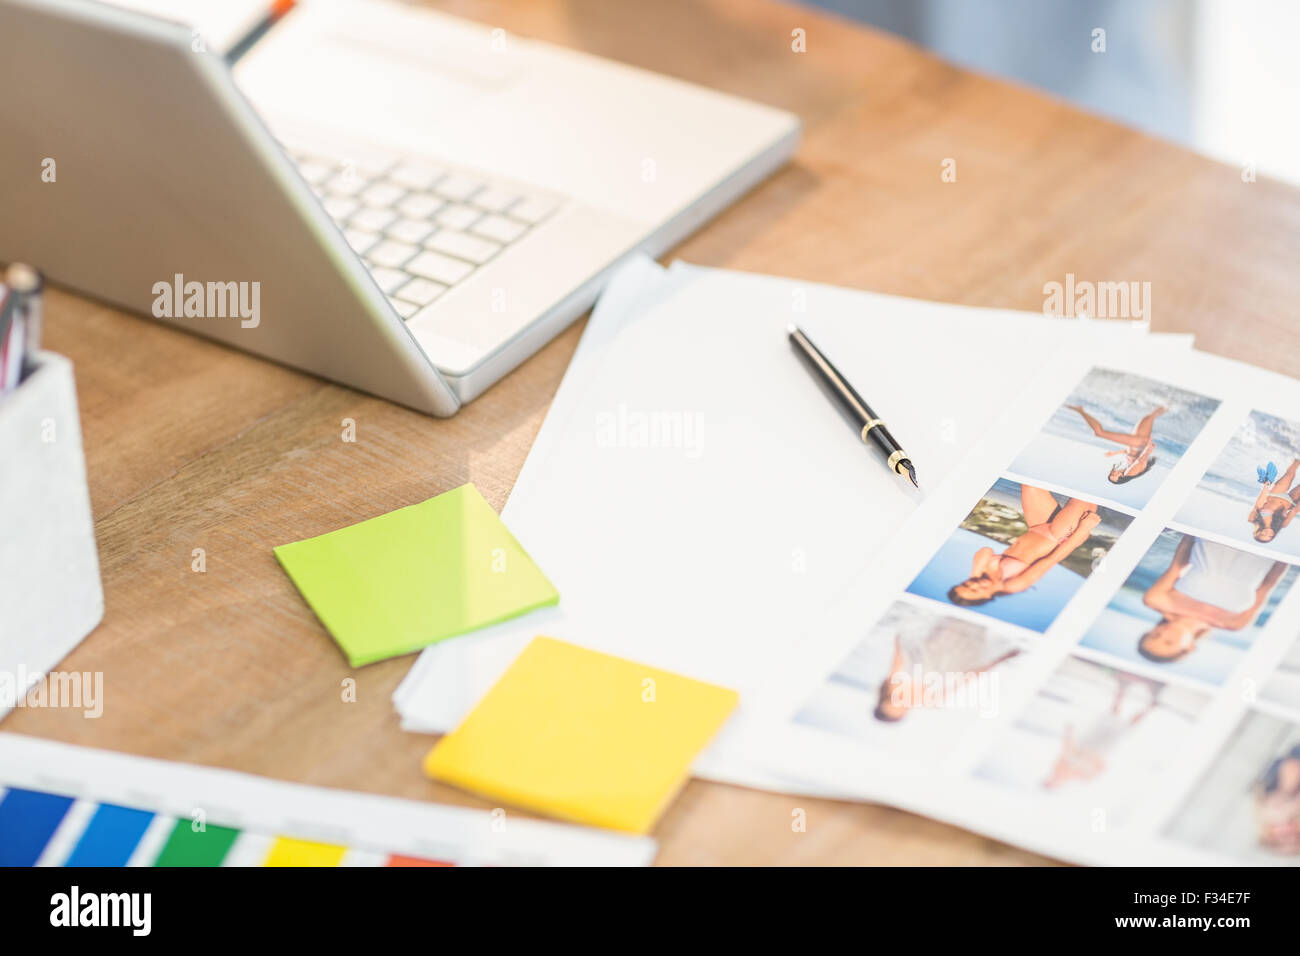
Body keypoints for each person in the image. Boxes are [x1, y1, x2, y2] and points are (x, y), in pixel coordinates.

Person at [1138, 534, 1288, 662]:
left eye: (1154, 635)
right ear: (1189, 648)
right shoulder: (1233, 624)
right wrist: (1287, 552)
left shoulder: (1156, 600)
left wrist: (1194, 531)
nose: (1164, 633)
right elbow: (1268, 585)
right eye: (1169, 642)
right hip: (1263, 552)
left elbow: (1178, 563)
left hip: (1214, 540)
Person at [949, 484, 1101, 607]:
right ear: (985, 597)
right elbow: (1051, 560)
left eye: (966, 584)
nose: (974, 585)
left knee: (1031, 484)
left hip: (1037, 526)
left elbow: (985, 551)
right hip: (1060, 536)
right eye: (974, 591)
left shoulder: (982, 573)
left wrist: (975, 574)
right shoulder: (1012, 586)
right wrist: (1084, 529)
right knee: (1088, 490)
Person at [873, 613, 1019, 722]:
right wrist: (999, 660)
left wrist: (899, 632)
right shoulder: (932, 699)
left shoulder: (897, 680)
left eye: (895, 700)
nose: (903, 702)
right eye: (903, 707)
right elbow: (967, 678)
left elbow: (900, 645)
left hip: (946, 636)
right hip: (968, 648)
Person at [1043, 673, 1159, 788]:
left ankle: (1122, 689)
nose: (1054, 780)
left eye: (1050, 781)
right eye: (1053, 783)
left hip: (1088, 741)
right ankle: (1150, 706)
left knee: (1111, 717)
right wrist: (1094, 762)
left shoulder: (1059, 767)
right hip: (1101, 749)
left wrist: (1069, 733)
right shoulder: (1081, 777)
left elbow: (1066, 749)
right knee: (1126, 728)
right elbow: (1101, 768)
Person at [1068, 403, 1165, 485]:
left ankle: (1169, 404)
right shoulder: (1129, 472)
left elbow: (1130, 454)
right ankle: (1080, 410)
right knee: (1100, 433)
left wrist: (1114, 454)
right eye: (1114, 476)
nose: (1113, 473)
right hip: (1139, 444)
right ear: (1121, 478)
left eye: (1111, 474)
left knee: (1150, 417)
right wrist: (1148, 449)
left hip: (1137, 443)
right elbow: (1140, 461)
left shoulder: (1127, 469)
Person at [1255, 744, 1300, 854]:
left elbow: (1292, 766)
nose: (1288, 831)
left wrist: (1287, 794)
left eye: (1282, 836)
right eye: (1296, 836)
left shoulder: (1269, 807)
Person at [1249, 459, 1300, 544]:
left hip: (1275, 494)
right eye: (1269, 537)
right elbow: (1294, 510)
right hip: (1291, 501)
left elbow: (1259, 503)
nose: (1268, 534)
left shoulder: (1253, 519)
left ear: (1258, 532)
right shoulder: (1282, 525)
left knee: (1290, 474)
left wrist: (1266, 486)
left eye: (1263, 534)